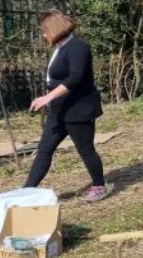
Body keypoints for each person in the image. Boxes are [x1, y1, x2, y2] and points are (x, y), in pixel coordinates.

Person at [23, 11, 107, 201]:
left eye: (44, 31)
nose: (44, 35)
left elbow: (76, 77)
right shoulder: (60, 48)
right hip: (59, 110)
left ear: (54, 29)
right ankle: (26, 191)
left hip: (78, 109)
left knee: (85, 150)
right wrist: (48, 99)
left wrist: (48, 97)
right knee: (44, 149)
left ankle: (99, 186)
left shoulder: (78, 46)